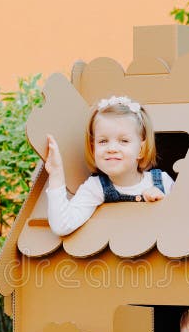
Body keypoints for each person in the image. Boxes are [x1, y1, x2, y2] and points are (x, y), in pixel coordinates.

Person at [45, 95, 174, 236]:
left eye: (123, 141)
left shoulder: (162, 181)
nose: (111, 148)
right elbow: (62, 226)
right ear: (93, 148)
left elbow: (185, 220)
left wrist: (163, 203)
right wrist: (56, 174)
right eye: (103, 141)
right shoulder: (95, 187)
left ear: (141, 150)